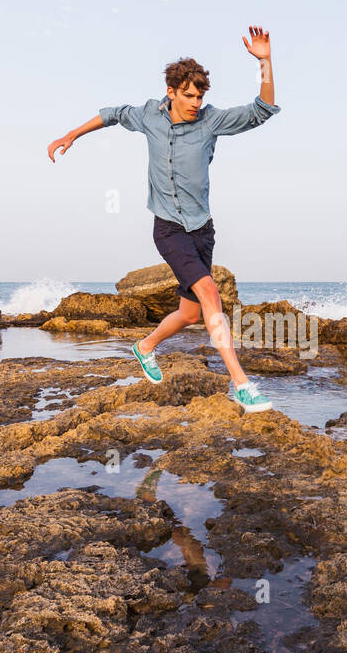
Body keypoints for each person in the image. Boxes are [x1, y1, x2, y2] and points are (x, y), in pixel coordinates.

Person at [48, 26, 280, 414]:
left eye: (200, 95)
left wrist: (265, 62)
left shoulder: (210, 122)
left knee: (190, 313)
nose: (194, 102)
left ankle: (145, 347)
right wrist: (71, 135)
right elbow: (112, 114)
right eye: (188, 95)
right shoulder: (149, 116)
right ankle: (241, 385)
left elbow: (262, 110)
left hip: (201, 230)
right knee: (210, 295)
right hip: (168, 227)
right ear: (171, 92)